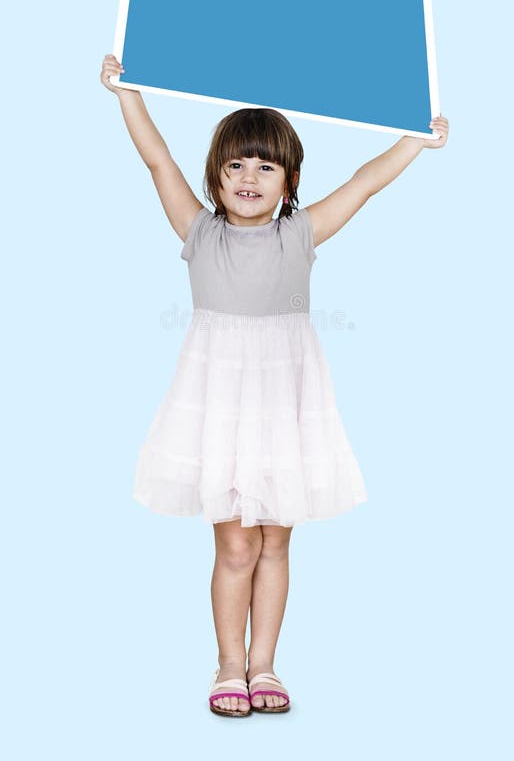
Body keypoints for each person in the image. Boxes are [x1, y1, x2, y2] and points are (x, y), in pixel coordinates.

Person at [100, 54, 449, 717]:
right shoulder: (199, 231)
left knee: (277, 539)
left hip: (287, 405)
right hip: (218, 406)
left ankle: (266, 665)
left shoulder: (302, 232)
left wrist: (416, 139)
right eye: (235, 165)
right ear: (216, 178)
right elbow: (157, 160)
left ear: (289, 181)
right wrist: (128, 94)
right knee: (235, 540)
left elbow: (365, 182)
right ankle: (230, 661)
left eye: (265, 165)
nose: (249, 177)